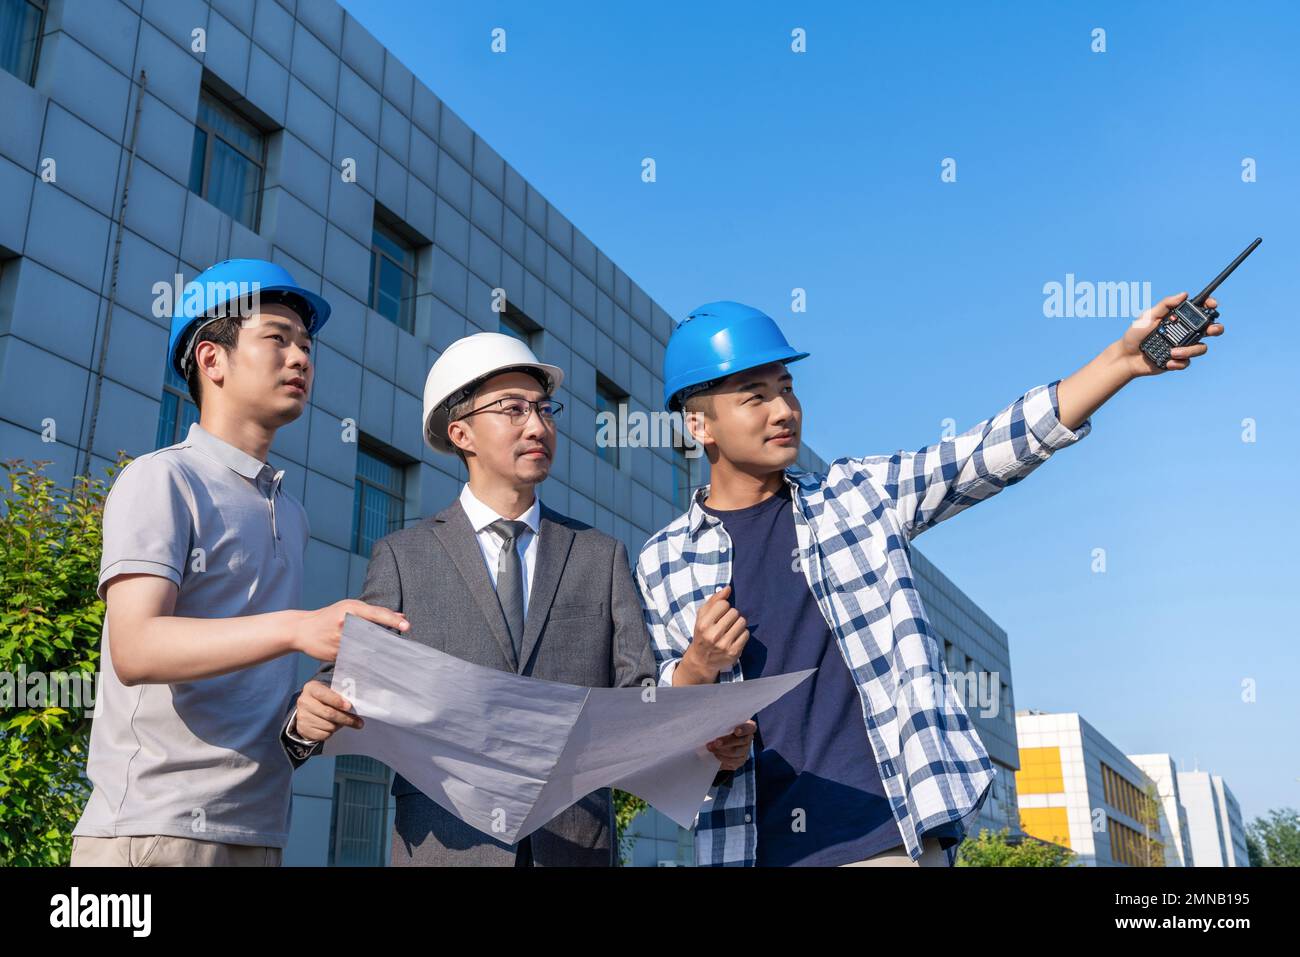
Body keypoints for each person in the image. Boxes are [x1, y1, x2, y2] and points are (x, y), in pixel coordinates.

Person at [635, 293, 1224, 867]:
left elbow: (984, 453)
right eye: (754, 397)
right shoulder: (663, 561)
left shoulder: (856, 496)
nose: (784, 410)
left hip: (881, 834)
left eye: (787, 389)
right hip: (751, 845)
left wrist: (1120, 362)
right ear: (699, 424)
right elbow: (663, 730)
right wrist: (699, 676)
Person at [283, 332, 745, 866]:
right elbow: (345, 682)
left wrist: (702, 745)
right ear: (462, 433)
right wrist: (309, 715)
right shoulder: (403, 558)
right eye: (513, 409)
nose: (537, 425)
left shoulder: (601, 557)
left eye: (546, 410)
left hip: (575, 847)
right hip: (445, 847)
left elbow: (638, 704)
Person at [70, 259, 408, 867]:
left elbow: (253, 685)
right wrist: (298, 628)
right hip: (155, 834)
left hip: (258, 833)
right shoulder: (163, 479)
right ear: (211, 360)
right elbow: (137, 648)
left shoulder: (290, 512)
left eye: (306, 345)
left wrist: (304, 717)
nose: (301, 358)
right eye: (277, 339)